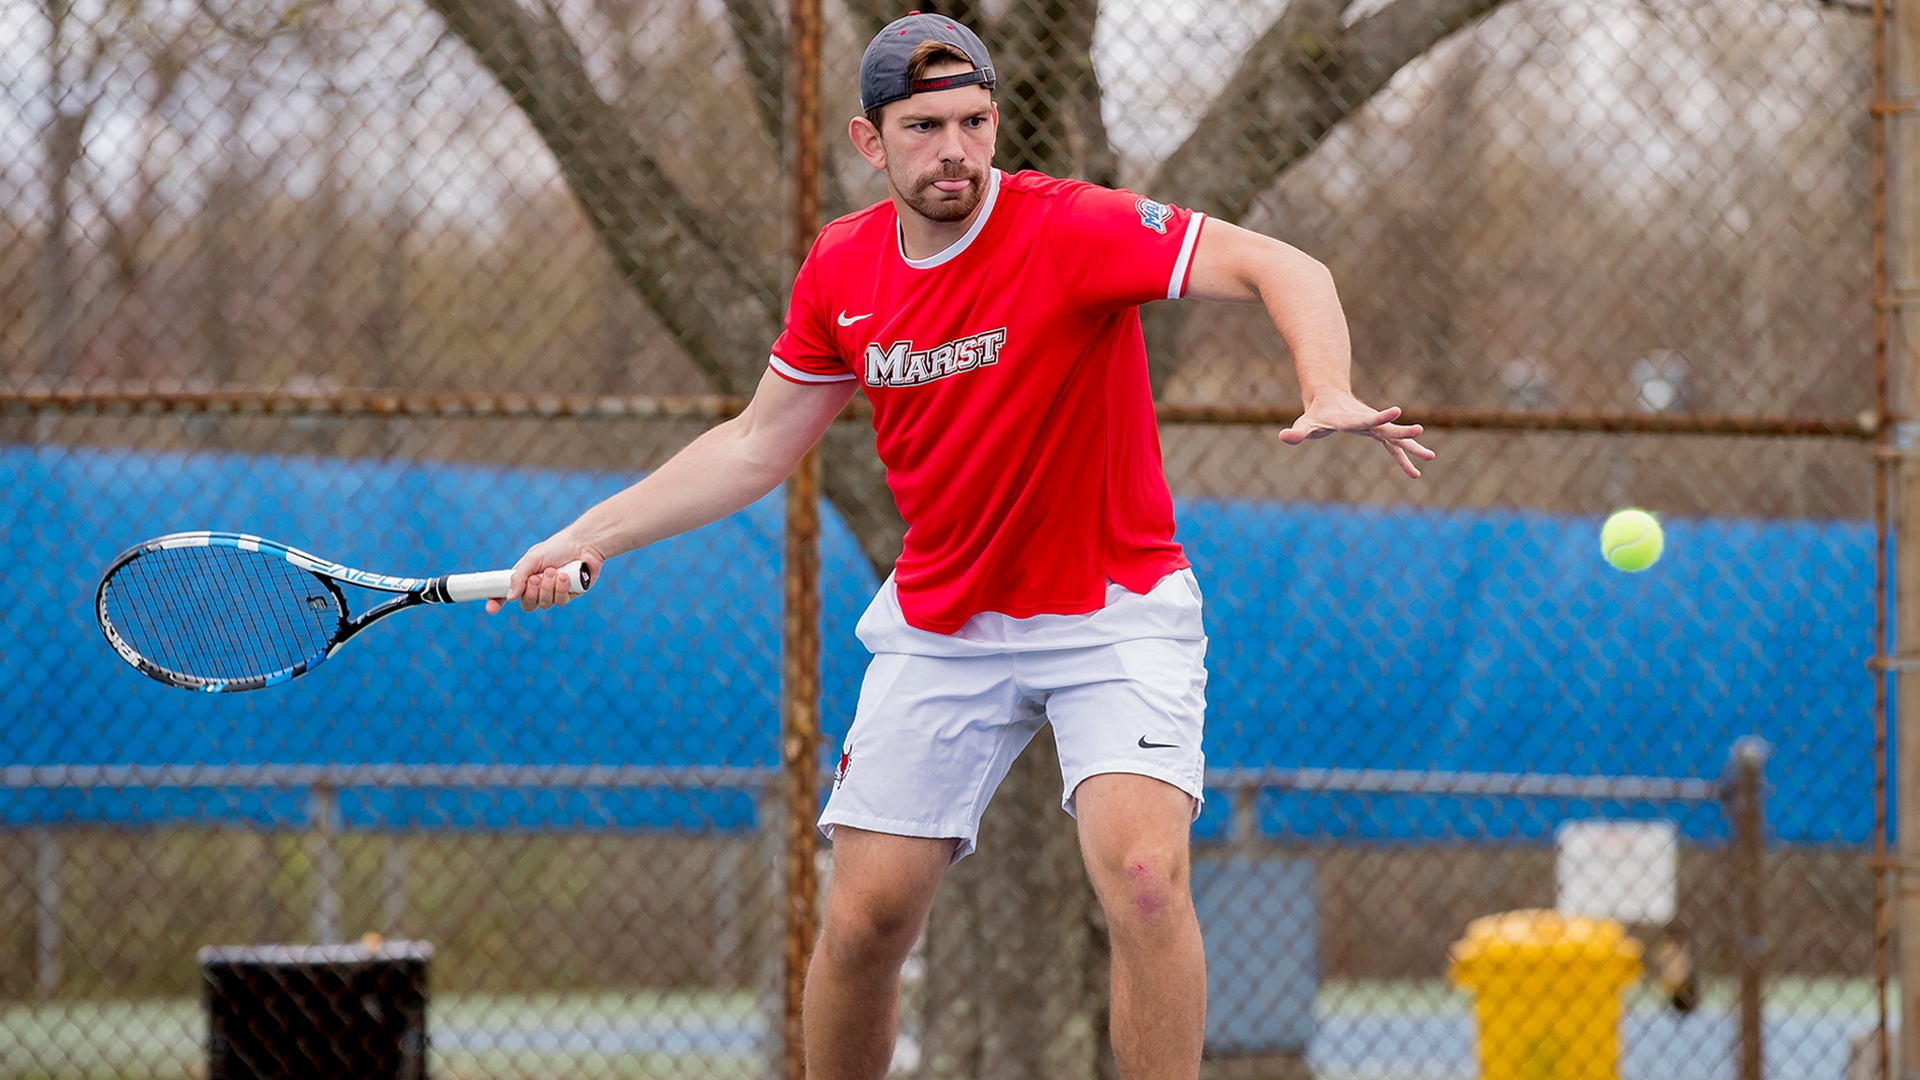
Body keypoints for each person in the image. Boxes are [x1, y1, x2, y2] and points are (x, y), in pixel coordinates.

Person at [490, 12, 1433, 1079]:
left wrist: (1328, 386)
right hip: (944, 623)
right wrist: (587, 534)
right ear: (869, 141)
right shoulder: (842, 270)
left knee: (1144, 881)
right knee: (863, 924)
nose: (955, 148)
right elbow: (756, 444)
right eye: (926, 124)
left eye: (974, 121)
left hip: (1112, 608)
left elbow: (1280, 264)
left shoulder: (1069, 226)